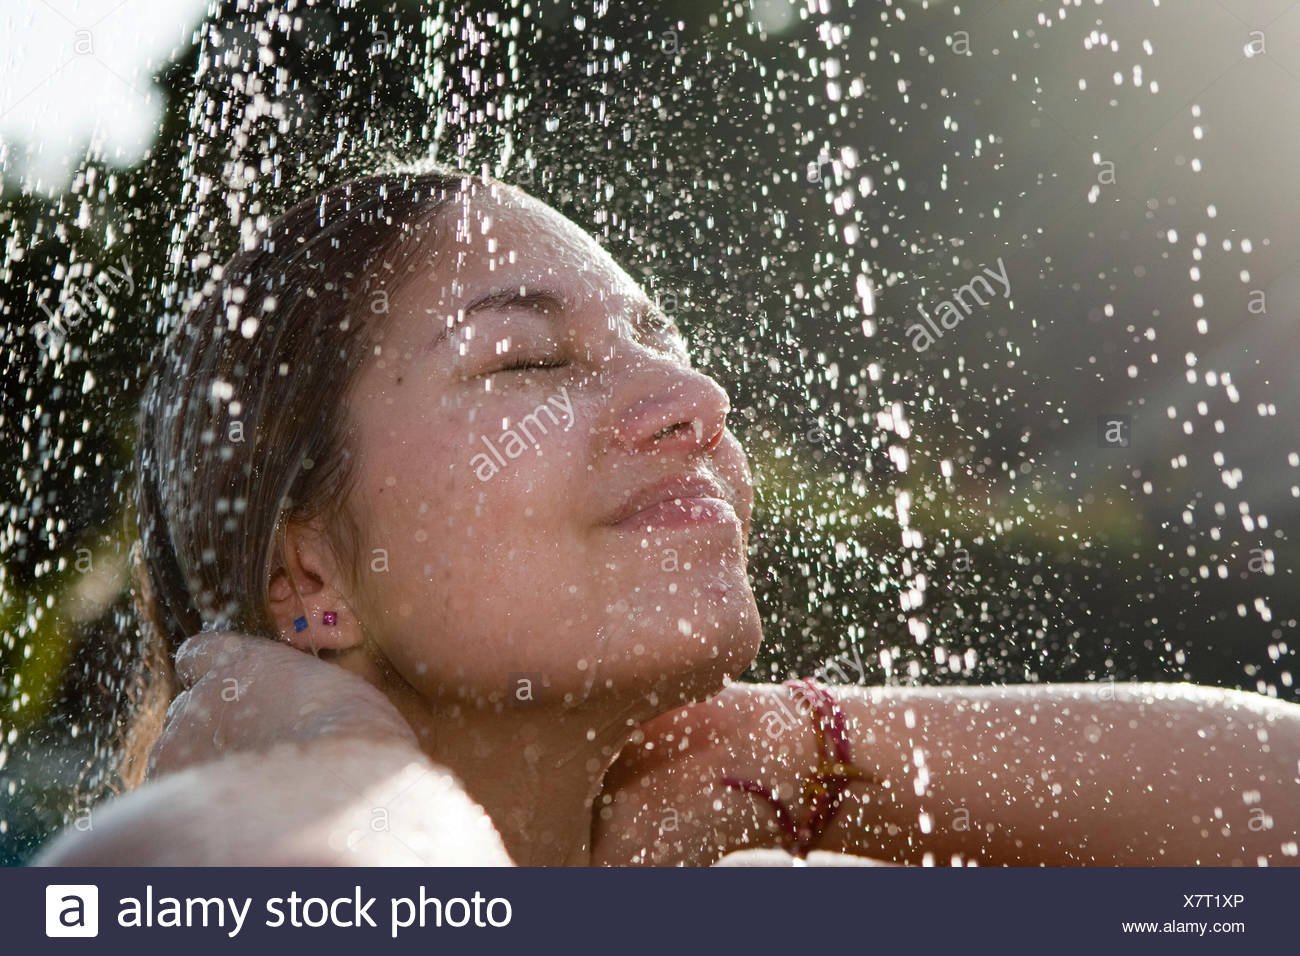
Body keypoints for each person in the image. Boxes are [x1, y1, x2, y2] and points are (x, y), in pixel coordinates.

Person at [35, 167, 1300, 867]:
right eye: (527, 362)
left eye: (663, 344)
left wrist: (814, 755)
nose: (697, 397)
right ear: (307, 568)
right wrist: (329, 762)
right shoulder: (143, 877)